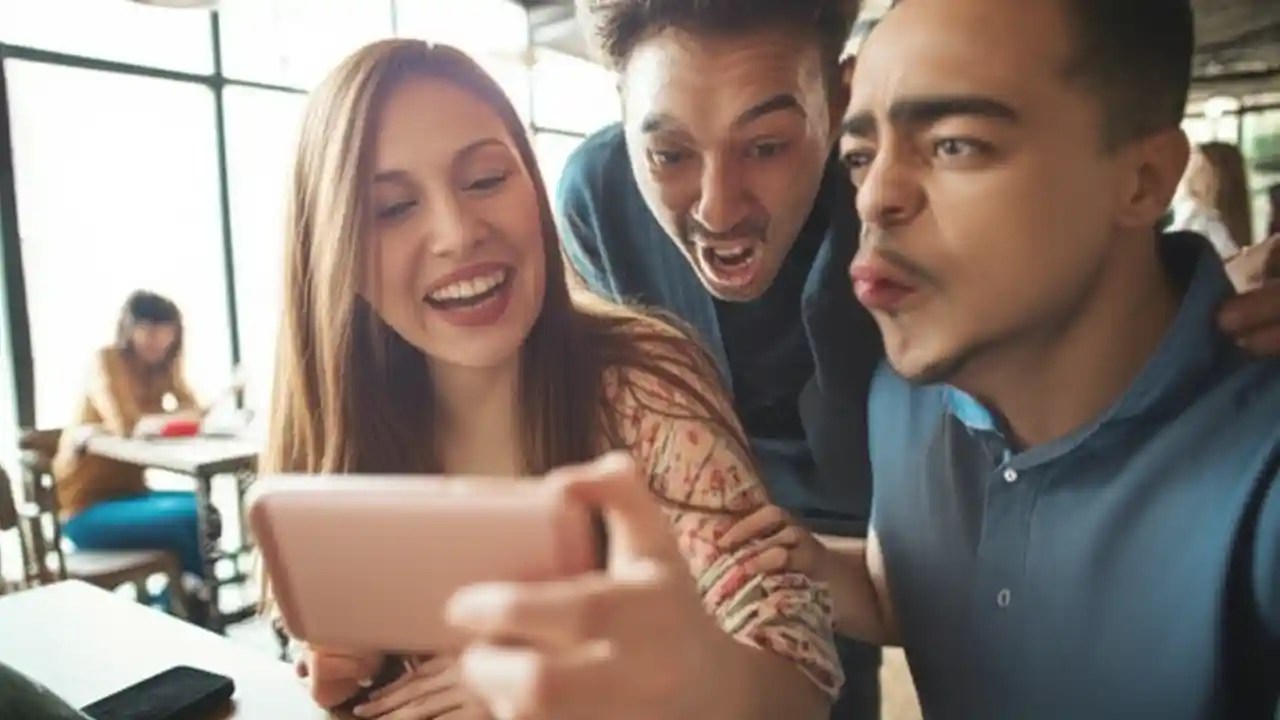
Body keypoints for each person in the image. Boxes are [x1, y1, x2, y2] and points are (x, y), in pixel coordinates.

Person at [721, 0, 1280, 716]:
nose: (877, 197)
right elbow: (913, 596)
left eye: (955, 143)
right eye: (860, 157)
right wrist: (790, 564)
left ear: (1142, 178)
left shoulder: (1257, 478)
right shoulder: (903, 397)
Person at [263, 39, 840, 720]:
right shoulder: (334, 445)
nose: (456, 233)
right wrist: (335, 676)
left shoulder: (646, 386)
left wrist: (615, 687)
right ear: (337, 256)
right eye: (392, 209)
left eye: (484, 181)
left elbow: (799, 679)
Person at [558, 1, 883, 713]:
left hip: (869, 549)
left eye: (765, 146)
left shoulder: (891, 200)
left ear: (840, 94)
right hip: (691, 558)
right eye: (669, 154)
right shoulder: (597, 200)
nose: (717, 209)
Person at [53, 291, 207, 604]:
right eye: (148, 329)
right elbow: (127, 424)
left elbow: (195, 411)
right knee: (193, 516)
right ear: (129, 327)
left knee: (204, 508)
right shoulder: (106, 360)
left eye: (166, 331)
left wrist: (167, 415)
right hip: (85, 511)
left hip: (132, 496)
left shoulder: (162, 368)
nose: (158, 340)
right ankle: (187, 603)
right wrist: (170, 419)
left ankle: (183, 600)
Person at [1172, 141, 1255, 258]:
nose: (1189, 177)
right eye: (1189, 167)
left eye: (1201, 170)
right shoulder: (1186, 216)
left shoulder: (1214, 233)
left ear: (1222, 179)